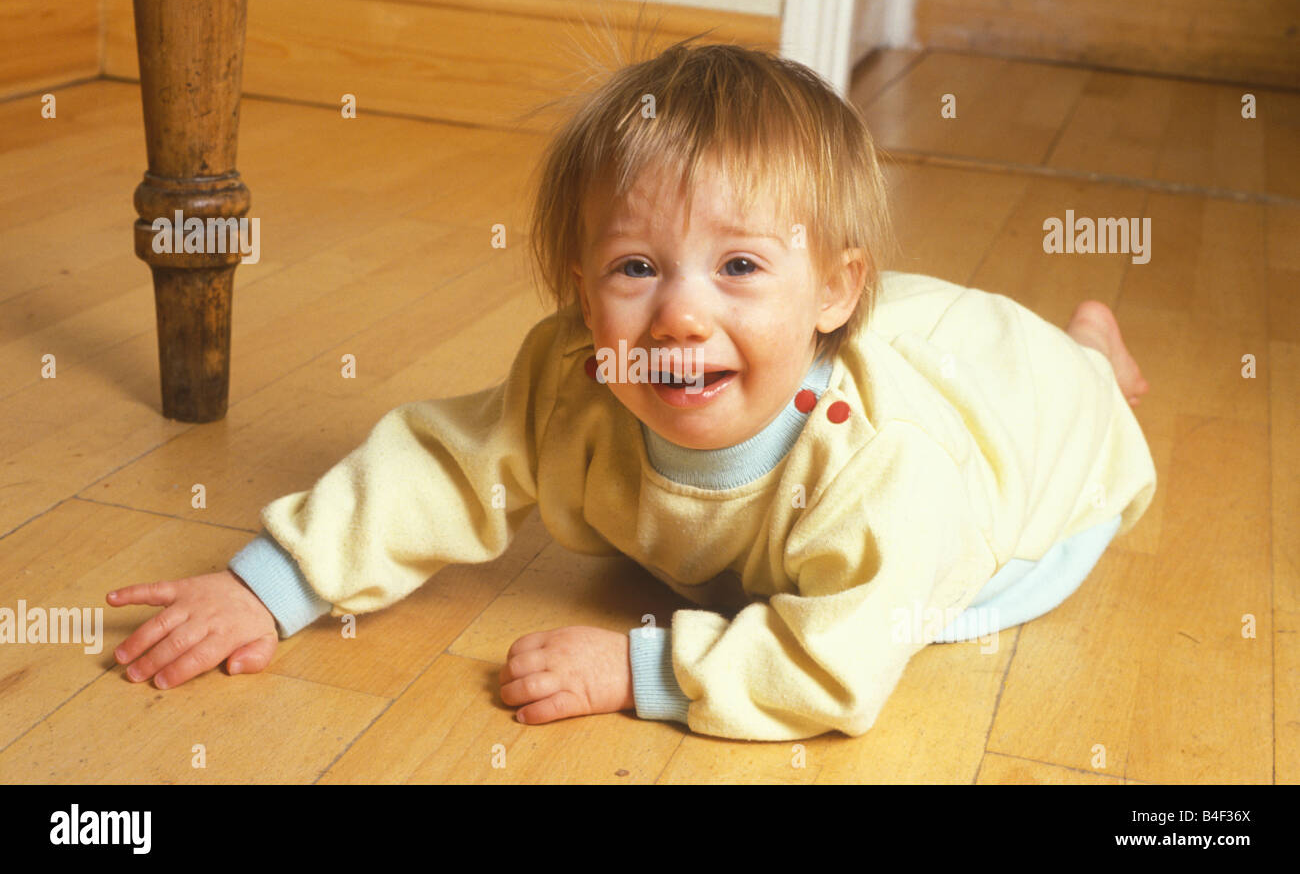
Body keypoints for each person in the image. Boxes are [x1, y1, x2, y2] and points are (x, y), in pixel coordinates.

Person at [107, 39, 1156, 742]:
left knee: (1060, 379)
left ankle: (1090, 353)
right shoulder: (576, 378)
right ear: (577, 292)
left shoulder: (888, 470)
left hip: (1018, 434)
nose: (679, 318)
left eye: (738, 266)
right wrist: (273, 583)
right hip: (879, 330)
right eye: (635, 268)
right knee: (910, 326)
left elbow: (837, 661)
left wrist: (644, 669)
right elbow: (439, 461)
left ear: (838, 290)